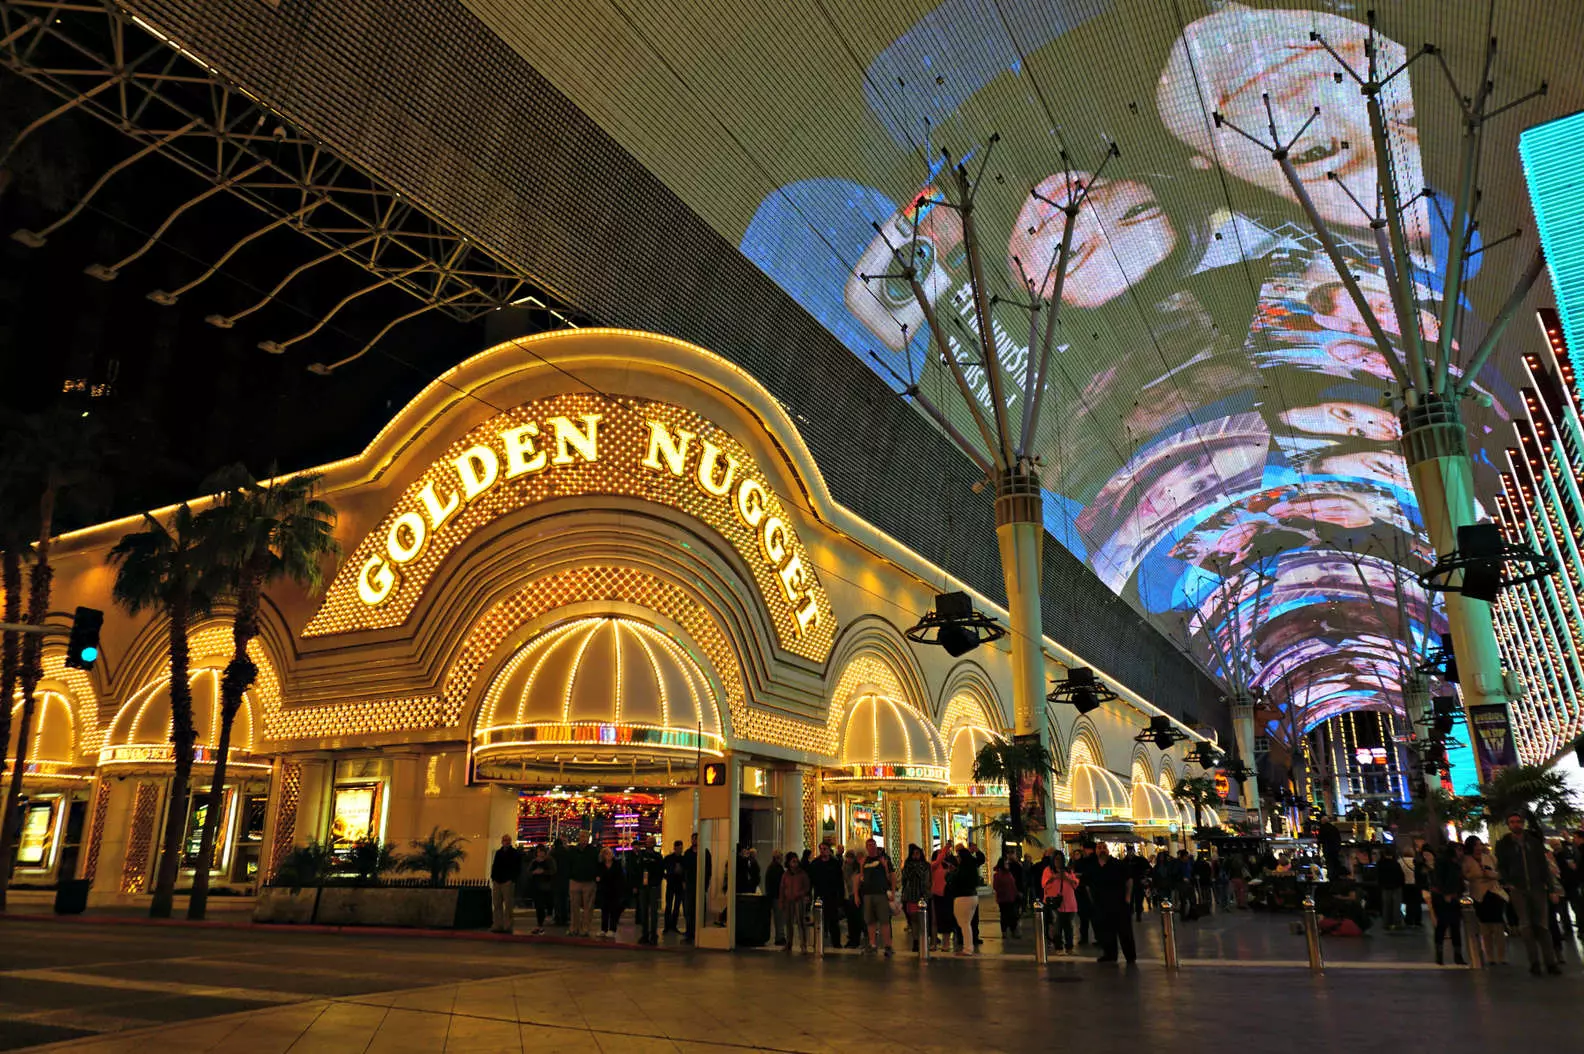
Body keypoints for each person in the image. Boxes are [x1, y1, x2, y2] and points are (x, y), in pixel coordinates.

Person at [1495, 812, 1564, 975]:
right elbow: (1502, 866)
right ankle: (1534, 962)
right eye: (1512, 822)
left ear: (1523, 823)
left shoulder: (1533, 842)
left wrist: (1551, 888)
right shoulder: (1504, 844)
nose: (1515, 824)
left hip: (1537, 887)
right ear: (1508, 824)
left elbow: (1543, 866)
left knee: (1542, 926)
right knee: (1526, 926)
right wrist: (1508, 883)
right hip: (1518, 889)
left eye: (1518, 822)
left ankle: (1550, 962)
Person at [1462, 835, 1507, 966]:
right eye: (1475, 845)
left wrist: (1491, 874)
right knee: (1485, 926)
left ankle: (1501, 956)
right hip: (1478, 895)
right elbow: (1465, 875)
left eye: (1480, 844)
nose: (1478, 848)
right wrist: (1479, 874)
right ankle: (1490, 956)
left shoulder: (1489, 857)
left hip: (1494, 892)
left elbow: (1499, 873)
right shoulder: (1467, 860)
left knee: (1498, 925)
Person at [1089, 842, 1136, 964]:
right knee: (1106, 931)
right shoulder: (1093, 867)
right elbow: (1088, 885)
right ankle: (1109, 954)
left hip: (1119, 903)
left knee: (1125, 931)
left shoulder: (1118, 864)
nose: (1102, 850)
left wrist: (1127, 898)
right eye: (1099, 848)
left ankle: (1130, 956)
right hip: (1101, 904)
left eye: (1104, 848)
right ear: (1096, 851)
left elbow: (1129, 880)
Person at [854, 838, 897, 957]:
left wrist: (893, 891)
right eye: (869, 845)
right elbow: (858, 878)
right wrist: (856, 895)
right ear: (866, 847)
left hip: (881, 894)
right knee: (870, 920)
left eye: (873, 844)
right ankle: (872, 944)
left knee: (884, 920)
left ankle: (888, 945)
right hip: (867, 894)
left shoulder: (884, 859)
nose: (871, 847)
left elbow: (892, 877)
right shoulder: (864, 861)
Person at [1430, 843, 1468, 966]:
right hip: (1443, 897)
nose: (1461, 853)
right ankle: (1444, 955)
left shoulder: (1454, 863)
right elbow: (1440, 879)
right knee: (1445, 924)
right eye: (1459, 850)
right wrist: (1446, 893)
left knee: (1454, 925)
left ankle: (1455, 955)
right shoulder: (1444, 862)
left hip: (1453, 896)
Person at [806, 841, 845, 950]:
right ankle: (818, 941)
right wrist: (808, 894)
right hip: (819, 895)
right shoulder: (815, 864)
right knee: (819, 919)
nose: (823, 851)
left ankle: (836, 942)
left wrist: (840, 897)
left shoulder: (835, 863)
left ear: (829, 850)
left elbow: (840, 882)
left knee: (833, 919)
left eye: (825, 849)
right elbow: (811, 881)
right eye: (821, 849)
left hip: (831, 895)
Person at [1041, 850, 1080, 954]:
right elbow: (1044, 884)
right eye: (1056, 859)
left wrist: (1066, 878)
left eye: (1060, 859)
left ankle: (1069, 947)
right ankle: (1058, 947)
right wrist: (1054, 877)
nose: (1058, 861)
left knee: (1068, 926)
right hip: (1055, 903)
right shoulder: (1048, 870)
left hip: (1069, 902)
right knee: (1057, 925)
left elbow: (1075, 883)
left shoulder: (1067, 871)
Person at [949, 844, 982, 956]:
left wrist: (952, 873)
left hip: (963, 898)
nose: (957, 859)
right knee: (966, 923)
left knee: (964, 923)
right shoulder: (971, 867)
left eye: (958, 857)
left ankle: (968, 948)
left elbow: (954, 882)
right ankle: (969, 946)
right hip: (973, 896)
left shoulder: (962, 870)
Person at [565, 831, 600, 938]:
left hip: (589, 882)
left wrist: (596, 876)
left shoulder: (594, 851)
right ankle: (574, 928)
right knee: (574, 907)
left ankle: (585, 929)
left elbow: (598, 864)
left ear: (588, 838)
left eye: (585, 836)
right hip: (575, 880)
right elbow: (568, 864)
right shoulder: (573, 850)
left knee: (588, 908)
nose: (583, 838)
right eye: (581, 836)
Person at [632, 835, 664, 945]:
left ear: (654, 843)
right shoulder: (641, 856)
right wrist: (637, 885)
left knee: (654, 912)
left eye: (652, 842)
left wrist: (656, 883)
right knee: (643, 911)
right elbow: (637, 871)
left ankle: (653, 935)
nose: (650, 844)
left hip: (653, 887)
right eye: (648, 841)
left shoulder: (658, 857)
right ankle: (644, 934)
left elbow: (660, 871)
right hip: (643, 887)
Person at [899, 843, 931, 951]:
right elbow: (905, 877)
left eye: (918, 853)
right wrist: (912, 865)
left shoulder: (926, 865)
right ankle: (916, 941)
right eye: (914, 853)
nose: (916, 855)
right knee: (913, 920)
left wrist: (916, 865)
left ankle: (924, 939)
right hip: (911, 896)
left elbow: (924, 877)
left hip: (922, 895)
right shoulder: (908, 865)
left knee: (923, 919)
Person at [779, 852, 811, 954]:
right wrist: (782, 900)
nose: (795, 863)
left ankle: (803, 944)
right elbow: (782, 888)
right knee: (788, 923)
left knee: (801, 922)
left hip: (799, 900)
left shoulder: (802, 874)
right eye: (793, 861)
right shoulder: (785, 875)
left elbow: (807, 887)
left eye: (796, 861)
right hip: (788, 900)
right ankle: (789, 943)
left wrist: (800, 894)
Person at [489, 834, 522, 934]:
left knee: (508, 905)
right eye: (504, 840)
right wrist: (493, 878)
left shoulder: (514, 853)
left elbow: (517, 868)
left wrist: (512, 879)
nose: (506, 842)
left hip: (507, 881)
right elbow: (495, 866)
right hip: (497, 881)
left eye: (507, 840)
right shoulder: (499, 853)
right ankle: (497, 925)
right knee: (497, 904)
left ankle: (508, 925)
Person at [682, 833, 710, 944]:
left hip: (700, 884)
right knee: (689, 909)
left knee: (700, 909)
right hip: (690, 885)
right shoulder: (688, 853)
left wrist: (705, 885)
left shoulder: (705, 853)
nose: (694, 841)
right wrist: (684, 882)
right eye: (693, 839)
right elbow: (685, 869)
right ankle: (690, 932)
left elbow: (708, 870)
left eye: (696, 839)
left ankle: (700, 931)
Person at [595, 846, 626, 940]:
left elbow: (621, 877)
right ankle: (603, 929)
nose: (609, 855)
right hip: (604, 890)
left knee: (614, 911)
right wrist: (598, 879)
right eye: (606, 854)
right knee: (604, 910)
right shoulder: (601, 865)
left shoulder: (617, 864)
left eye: (610, 853)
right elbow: (598, 875)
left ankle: (612, 929)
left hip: (615, 890)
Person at [526, 843, 557, 935]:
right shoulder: (534, 862)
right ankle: (540, 924)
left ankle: (545, 920)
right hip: (537, 887)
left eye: (541, 852)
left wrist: (543, 872)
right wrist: (534, 873)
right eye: (538, 852)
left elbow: (553, 871)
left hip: (547, 887)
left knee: (545, 904)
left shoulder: (549, 861)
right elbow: (528, 873)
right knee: (539, 906)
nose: (540, 854)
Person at [930, 842, 956, 950]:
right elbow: (937, 862)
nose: (943, 856)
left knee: (946, 918)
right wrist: (945, 849)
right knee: (934, 920)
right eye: (940, 854)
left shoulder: (948, 867)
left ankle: (945, 943)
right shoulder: (932, 866)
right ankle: (934, 943)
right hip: (936, 894)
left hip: (947, 894)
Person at [1072, 841, 1098, 944]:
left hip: (1083, 891)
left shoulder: (1081, 862)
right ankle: (1098, 938)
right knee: (1094, 917)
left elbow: (1076, 875)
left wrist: (1081, 875)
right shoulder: (1097, 860)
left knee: (1084, 917)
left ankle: (1084, 938)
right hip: (1093, 891)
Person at [1376, 846, 1405, 931]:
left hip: (1385, 887)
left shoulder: (1380, 863)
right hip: (1396, 886)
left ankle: (1386, 923)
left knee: (1386, 906)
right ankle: (1397, 923)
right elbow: (1401, 876)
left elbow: (1378, 876)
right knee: (1396, 906)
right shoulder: (1395, 863)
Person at [841, 848, 865, 948]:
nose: (848, 860)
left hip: (855, 895)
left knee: (856, 919)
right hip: (847, 895)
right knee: (850, 919)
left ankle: (856, 939)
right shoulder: (845, 867)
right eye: (847, 857)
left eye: (850, 858)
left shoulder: (856, 868)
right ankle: (852, 939)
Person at [993, 855, 1021, 939]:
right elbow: (996, 886)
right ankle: (1005, 931)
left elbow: (1012, 885)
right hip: (1004, 898)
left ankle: (1012, 930)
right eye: (1006, 863)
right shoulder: (998, 875)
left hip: (1011, 897)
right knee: (1005, 915)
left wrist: (1016, 893)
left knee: (1012, 915)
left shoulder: (1008, 873)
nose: (1007, 864)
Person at [663, 839, 686, 934]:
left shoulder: (683, 859)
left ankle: (673, 925)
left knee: (676, 907)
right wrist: (668, 876)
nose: (680, 850)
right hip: (671, 884)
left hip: (679, 886)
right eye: (679, 848)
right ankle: (667, 926)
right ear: (675, 848)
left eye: (681, 848)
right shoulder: (668, 858)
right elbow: (662, 869)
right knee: (668, 906)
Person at [764, 848, 786, 946]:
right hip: (777, 896)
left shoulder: (771, 867)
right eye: (781, 855)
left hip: (772, 895)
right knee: (779, 918)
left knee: (778, 918)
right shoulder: (777, 868)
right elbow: (779, 883)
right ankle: (780, 937)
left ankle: (779, 936)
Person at [1125, 847, 1150, 921]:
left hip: (1139, 883)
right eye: (1129, 851)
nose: (1130, 852)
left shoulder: (1140, 860)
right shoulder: (1124, 861)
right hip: (1129, 884)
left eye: (1131, 851)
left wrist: (1144, 878)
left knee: (1139, 899)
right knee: (1130, 900)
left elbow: (1147, 869)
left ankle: (1138, 914)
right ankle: (1131, 912)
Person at [550, 836, 571, 926]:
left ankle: (558, 917)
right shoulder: (567, 852)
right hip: (565, 878)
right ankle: (565, 917)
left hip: (556, 878)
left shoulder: (553, 853)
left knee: (557, 899)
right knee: (565, 899)